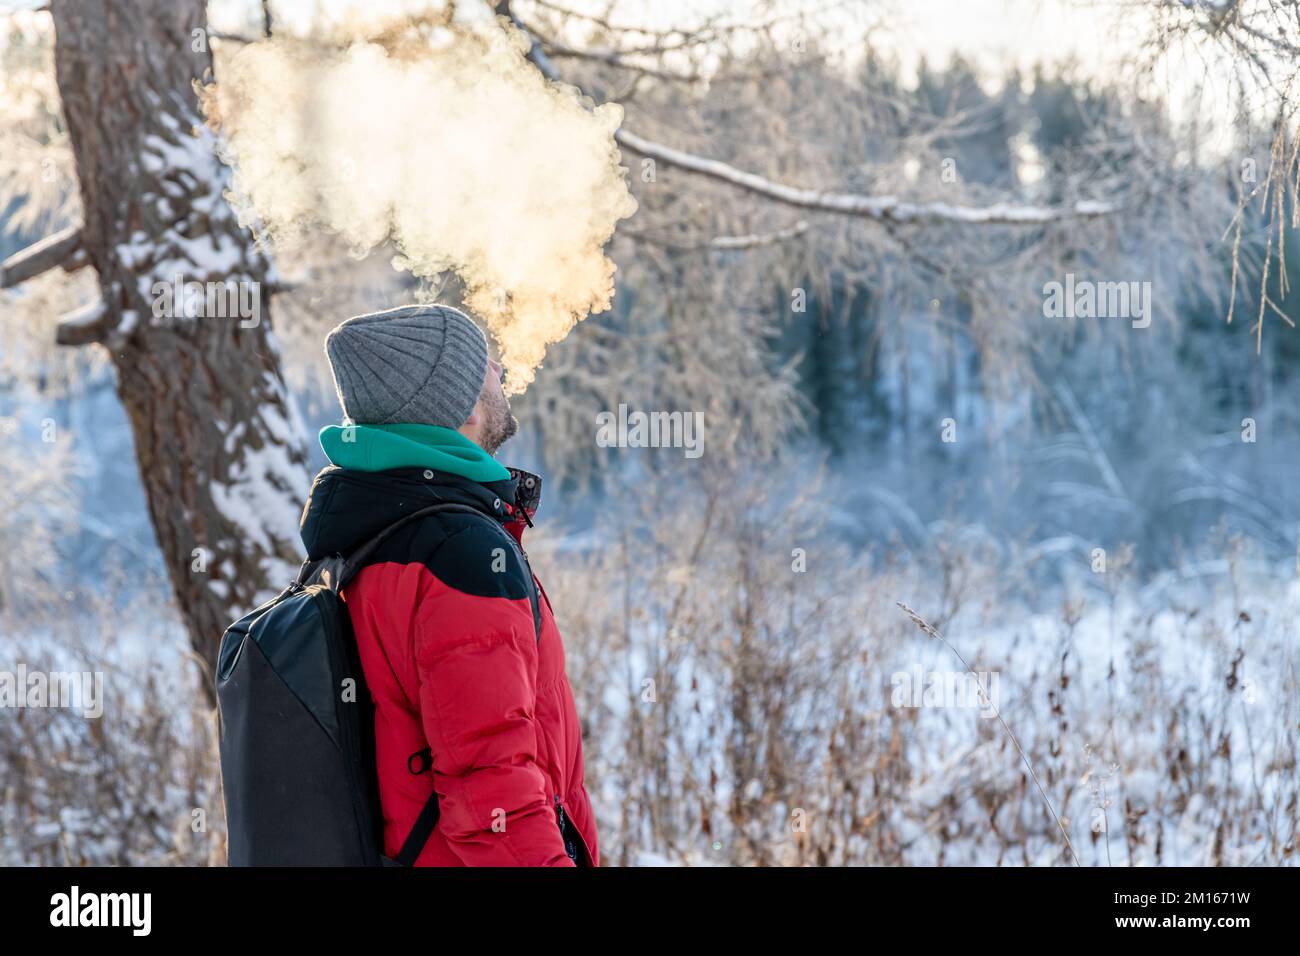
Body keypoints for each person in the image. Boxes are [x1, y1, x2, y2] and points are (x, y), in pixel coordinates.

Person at [298, 303, 598, 866]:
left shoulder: (372, 534)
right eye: (482, 366)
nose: (501, 371)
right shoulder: (459, 552)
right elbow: (492, 787)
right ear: (457, 410)